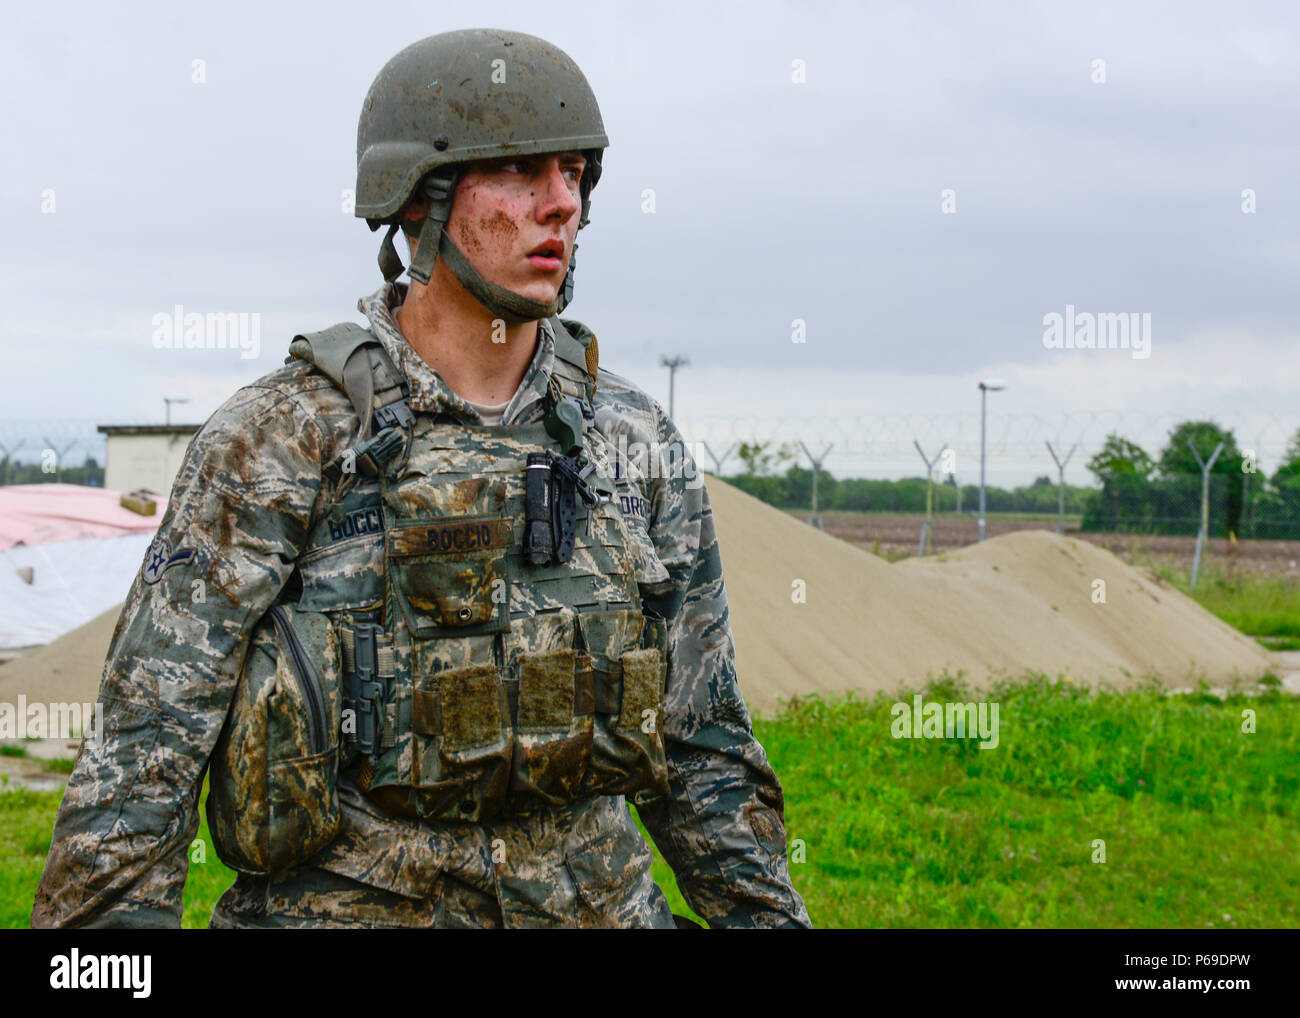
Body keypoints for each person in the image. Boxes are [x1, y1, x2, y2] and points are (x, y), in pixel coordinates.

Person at [31, 28, 811, 929]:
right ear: (416, 200)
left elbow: (703, 743)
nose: (561, 204)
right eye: (521, 171)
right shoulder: (281, 441)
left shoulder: (630, 440)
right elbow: (143, 755)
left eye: (575, 173)